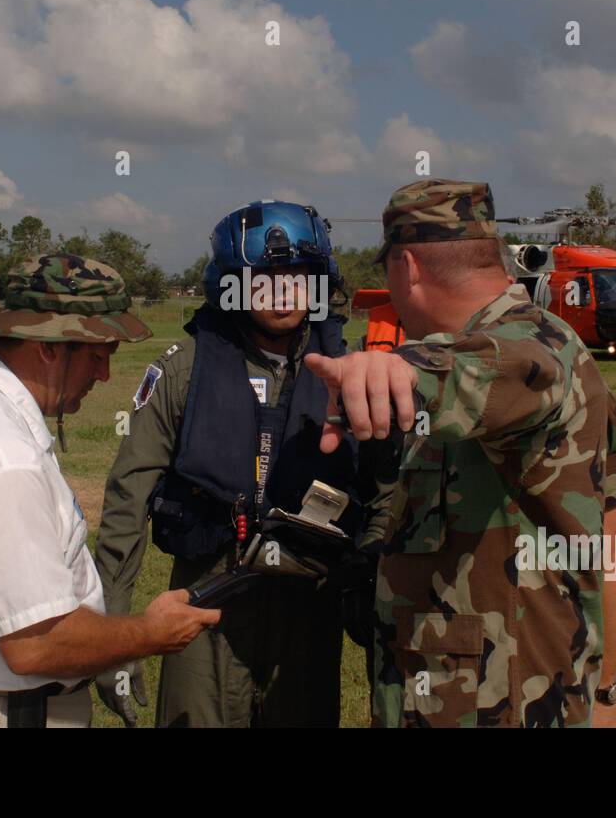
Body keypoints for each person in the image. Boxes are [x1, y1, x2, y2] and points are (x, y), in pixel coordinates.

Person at [305, 179, 616, 728]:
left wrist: (394, 367)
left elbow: (487, 370)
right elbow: (615, 536)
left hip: (497, 703)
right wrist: (606, 687)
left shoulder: (528, 346)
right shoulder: (539, 343)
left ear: (406, 267)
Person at [0, 253, 220, 728]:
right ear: (50, 347)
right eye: (97, 355)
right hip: (0, 713)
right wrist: (152, 632)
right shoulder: (3, 457)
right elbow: (36, 644)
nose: (104, 376)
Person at [94, 201, 393, 727]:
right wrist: (113, 631)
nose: (282, 293)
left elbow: (386, 490)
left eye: (296, 278)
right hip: (205, 599)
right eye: (263, 280)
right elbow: (127, 498)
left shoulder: (352, 371)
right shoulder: (182, 371)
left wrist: (367, 583)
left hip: (307, 598)